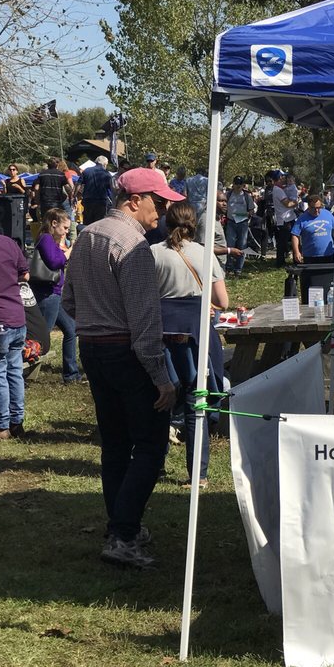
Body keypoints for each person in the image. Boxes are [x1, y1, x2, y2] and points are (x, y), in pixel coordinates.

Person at [62, 167, 180, 569]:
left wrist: (95, 321)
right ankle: (124, 533)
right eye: (159, 202)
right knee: (150, 444)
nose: (162, 211)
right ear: (135, 200)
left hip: (93, 348)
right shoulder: (134, 246)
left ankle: (120, 524)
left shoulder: (86, 235)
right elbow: (145, 320)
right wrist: (161, 377)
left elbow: (70, 302)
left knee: (114, 444)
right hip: (126, 351)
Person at [150, 201, 228, 488]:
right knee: (197, 401)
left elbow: (144, 297)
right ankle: (199, 475)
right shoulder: (205, 254)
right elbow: (223, 302)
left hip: (162, 333)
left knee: (161, 399)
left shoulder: (154, 253)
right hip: (196, 333)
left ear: (166, 223)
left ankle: (155, 465)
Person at [31, 208, 81, 383]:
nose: (67, 231)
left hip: (55, 294)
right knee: (41, 336)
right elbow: (55, 262)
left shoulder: (52, 240)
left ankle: (71, 374)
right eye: (65, 227)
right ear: (54, 223)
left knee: (71, 330)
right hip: (47, 294)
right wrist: (70, 251)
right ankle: (24, 368)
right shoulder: (45, 238)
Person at [0, 231, 28, 439]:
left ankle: (0, 425)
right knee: (14, 370)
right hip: (16, 315)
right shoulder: (8, 243)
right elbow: (25, 274)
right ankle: (16, 422)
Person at [291, 194, 334, 264]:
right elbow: (295, 235)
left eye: (319, 207)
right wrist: (297, 252)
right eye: (313, 208)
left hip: (329, 254)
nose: (316, 210)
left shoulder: (328, 215)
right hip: (310, 257)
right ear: (309, 206)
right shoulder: (302, 218)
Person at [225, 176, 255, 276]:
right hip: (230, 222)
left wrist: (242, 216)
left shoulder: (247, 196)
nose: (238, 186)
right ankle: (228, 267)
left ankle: (238, 269)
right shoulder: (228, 195)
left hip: (243, 223)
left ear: (243, 185)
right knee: (229, 245)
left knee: (242, 245)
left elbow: (251, 210)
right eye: (236, 183)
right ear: (233, 184)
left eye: (240, 184)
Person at [271, 171, 297, 267]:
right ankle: (281, 262)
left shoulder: (280, 189)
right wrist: (296, 202)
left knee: (285, 241)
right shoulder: (278, 190)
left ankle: (283, 260)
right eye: (282, 177)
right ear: (279, 178)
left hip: (287, 218)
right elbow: (287, 204)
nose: (284, 179)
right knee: (284, 241)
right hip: (285, 219)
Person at [80, 156, 114, 226]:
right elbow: (111, 189)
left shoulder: (86, 171)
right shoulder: (107, 174)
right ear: (104, 164)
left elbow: (78, 184)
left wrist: (74, 195)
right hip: (101, 202)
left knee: (87, 223)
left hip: (88, 201)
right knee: (99, 223)